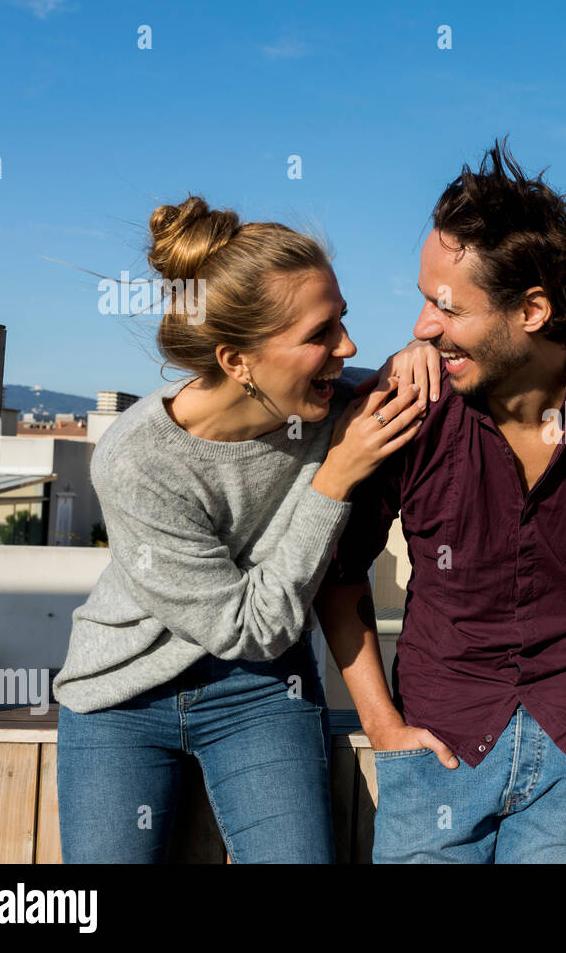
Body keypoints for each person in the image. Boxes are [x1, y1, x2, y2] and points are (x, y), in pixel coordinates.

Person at [313, 141, 566, 863]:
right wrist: (383, 728)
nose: (424, 326)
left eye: (447, 306)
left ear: (533, 310)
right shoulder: (406, 406)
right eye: (426, 300)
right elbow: (337, 572)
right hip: (437, 752)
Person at [53, 195, 435, 863]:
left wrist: (418, 353)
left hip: (263, 690)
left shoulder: (332, 405)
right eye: (321, 334)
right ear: (237, 361)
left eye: (342, 321)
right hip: (122, 697)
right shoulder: (140, 461)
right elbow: (249, 626)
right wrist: (334, 477)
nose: (347, 347)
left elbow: (457, 368)